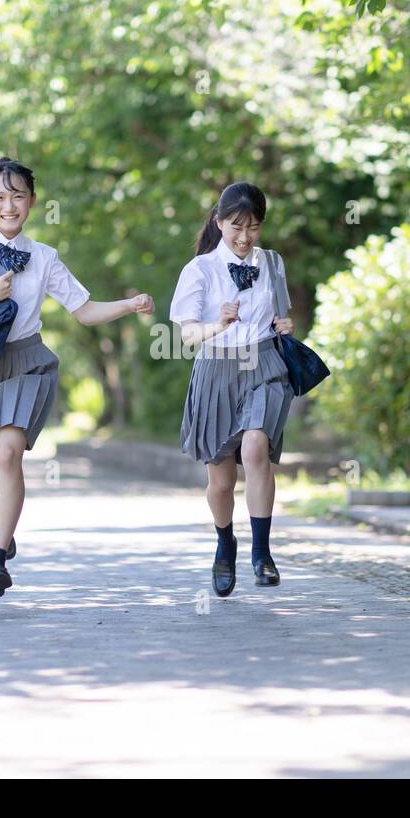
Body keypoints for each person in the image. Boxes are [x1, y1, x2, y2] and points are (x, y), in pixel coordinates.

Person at [0, 157, 154, 597]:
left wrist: (128, 305)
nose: (9, 206)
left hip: (27, 363)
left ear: (32, 201)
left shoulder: (44, 257)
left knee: (9, 452)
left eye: (18, 197)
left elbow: (84, 310)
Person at [168, 182, 296, 597]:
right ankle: (226, 544)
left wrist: (284, 326)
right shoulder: (200, 270)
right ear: (219, 222)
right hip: (215, 370)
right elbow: (187, 336)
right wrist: (215, 325)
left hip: (263, 365)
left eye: (254, 227)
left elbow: (279, 316)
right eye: (236, 226)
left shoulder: (272, 264)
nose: (244, 237)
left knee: (257, 448)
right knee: (221, 481)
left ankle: (262, 553)